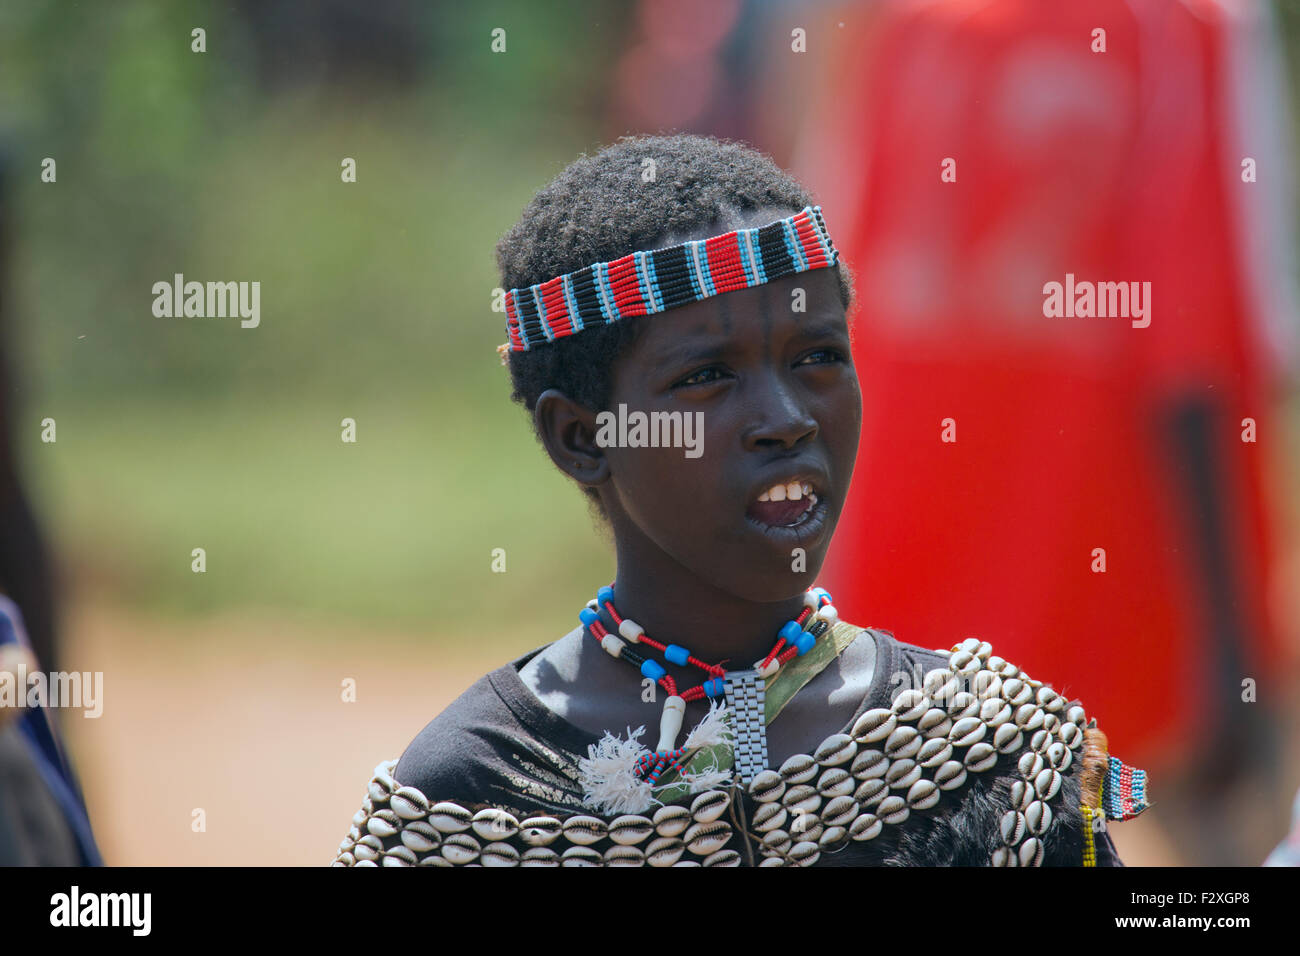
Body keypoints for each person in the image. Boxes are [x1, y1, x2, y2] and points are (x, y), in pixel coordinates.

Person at [333, 133, 1148, 867]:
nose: (787, 420)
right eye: (707, 377)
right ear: (582, 437)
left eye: (818, 357)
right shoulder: (466, 804)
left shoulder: (995, 760)